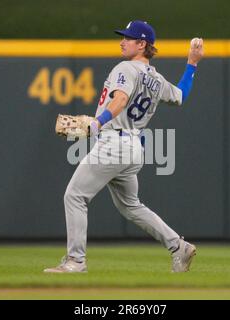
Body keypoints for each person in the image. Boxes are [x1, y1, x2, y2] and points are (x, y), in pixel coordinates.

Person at [44, 20, 204, 273]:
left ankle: (76, 262)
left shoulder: (126, 68)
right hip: (133, 148)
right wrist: (192, 63)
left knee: (75, 196)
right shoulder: (157, 79)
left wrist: (97, 122)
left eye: (128, 38)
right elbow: (181, 95)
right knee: (131, 205)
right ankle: (178, 246)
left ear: (142, 45)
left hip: (113, 143)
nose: (122, 41)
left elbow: (120, 99)